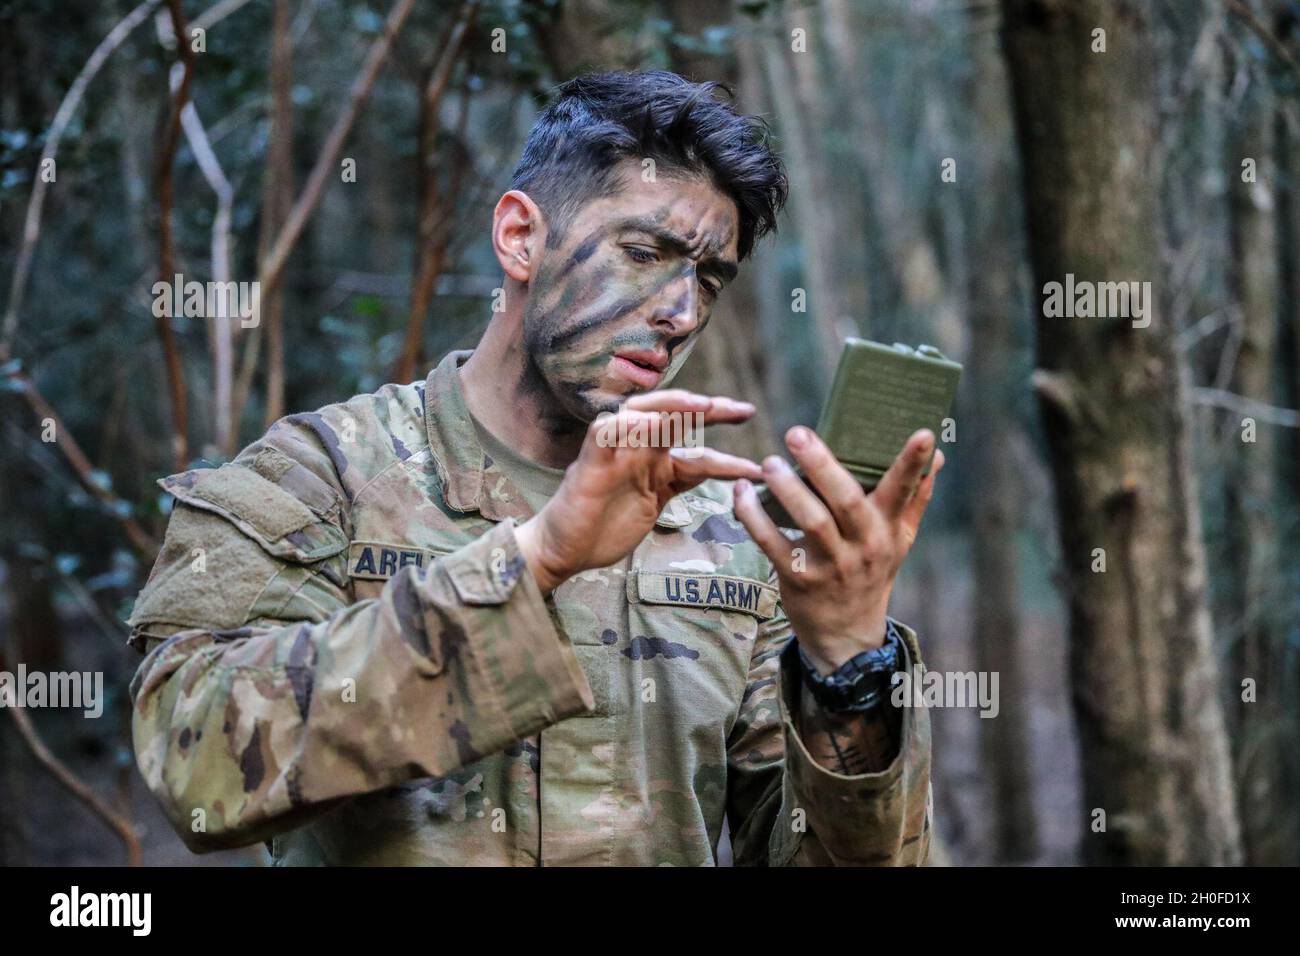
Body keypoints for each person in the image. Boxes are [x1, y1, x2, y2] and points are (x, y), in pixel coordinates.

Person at [127, 70, 941, 866]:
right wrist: (533, 561)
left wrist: (847, 672)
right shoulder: (317, 476)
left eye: (709, 280)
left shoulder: (735, 533)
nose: (682, 312)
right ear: (521, 237)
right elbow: (193, 766)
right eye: (645, 251)